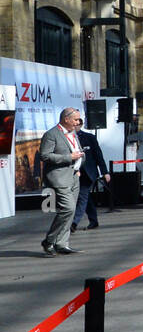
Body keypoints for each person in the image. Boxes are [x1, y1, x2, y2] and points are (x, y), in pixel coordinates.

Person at [38, 108, 86, 255]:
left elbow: (77, 151)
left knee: (71, 211)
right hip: (59, 178)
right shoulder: (51, 134)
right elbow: (45, 155)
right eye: (76, 119)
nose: (78, 122)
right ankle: (49, 240)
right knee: (68, 209)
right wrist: (69, 158)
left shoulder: (73, 133)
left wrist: (78, 167)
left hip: (74, 177)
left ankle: (62, 243)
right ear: (66, 119)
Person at [71, 126, 109, 233]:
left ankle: (74, 223)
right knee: (86, 197)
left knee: (82, 196)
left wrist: (105, 172)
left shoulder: (89, 137)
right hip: (74, 173)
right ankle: (93, 220)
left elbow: (98, 155)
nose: (75, 125)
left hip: (88, 173)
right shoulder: (67, 138)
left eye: (77, 123)